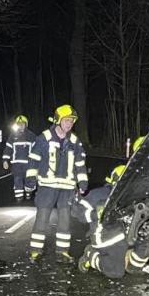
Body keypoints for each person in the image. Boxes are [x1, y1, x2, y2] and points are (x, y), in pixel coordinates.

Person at [26, 104, 87, 260]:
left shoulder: (74, 141)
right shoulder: (43, 138)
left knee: (65, 222)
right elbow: (33, 161)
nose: (70, 124)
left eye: (72, 121)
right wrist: (30, 181)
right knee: (42, 219)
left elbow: (80, 164)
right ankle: (35, 251)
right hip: (47, 187)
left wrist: (83, 183)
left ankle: (62, 251)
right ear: (58, 120)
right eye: (67, 120)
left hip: (67, 188)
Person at [1, 114, 36, 202]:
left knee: (29, 180)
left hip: (29, 164)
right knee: (17, 179)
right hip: (16, 164)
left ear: (26, 124)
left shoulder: (31, 136)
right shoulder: (12, 136)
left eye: (22, 124)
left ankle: (29, 192)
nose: (21, 125)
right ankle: (19, 197)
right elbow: (8, 148)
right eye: (19, 124)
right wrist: (5, 160)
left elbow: (36, 149)